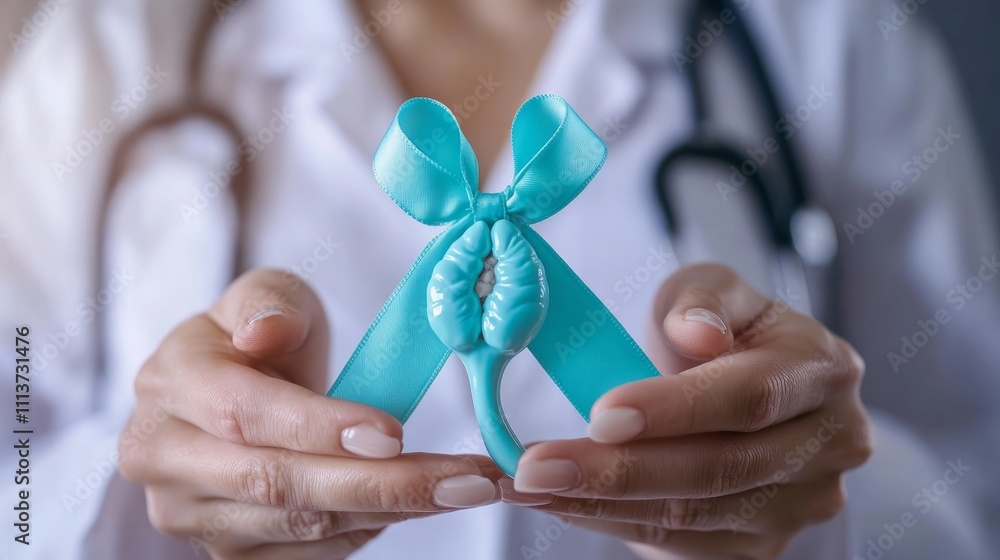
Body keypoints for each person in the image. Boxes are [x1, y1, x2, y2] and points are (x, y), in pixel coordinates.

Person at [1, 0, 996, 558]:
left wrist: (826, 487)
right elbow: (13, 484)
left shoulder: (824, 38)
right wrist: (130, 481)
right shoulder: (108, 52)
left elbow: (979, 483)